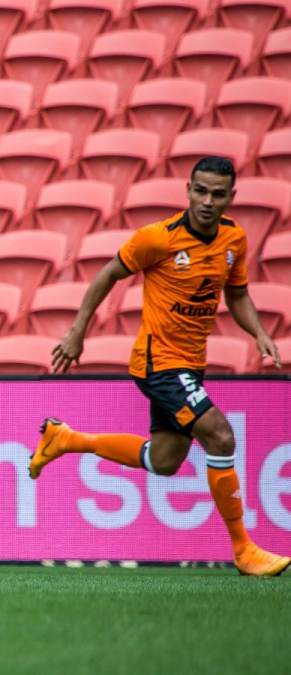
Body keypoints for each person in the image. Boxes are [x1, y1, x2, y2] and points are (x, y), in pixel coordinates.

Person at [34, 156, 287, 576]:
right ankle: (244, 550)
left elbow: (237, 295)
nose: (207, 201)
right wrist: (78, 332)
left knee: (164, 461)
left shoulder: (234, 240)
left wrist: (258, 332)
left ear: (231, 197)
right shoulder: (158, 239)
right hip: (160, 363)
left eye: (218, 194)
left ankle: (65, 440)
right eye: (201, 191)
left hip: (192, 364)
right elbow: (107, 275)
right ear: (187, 190)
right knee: (221, 438)